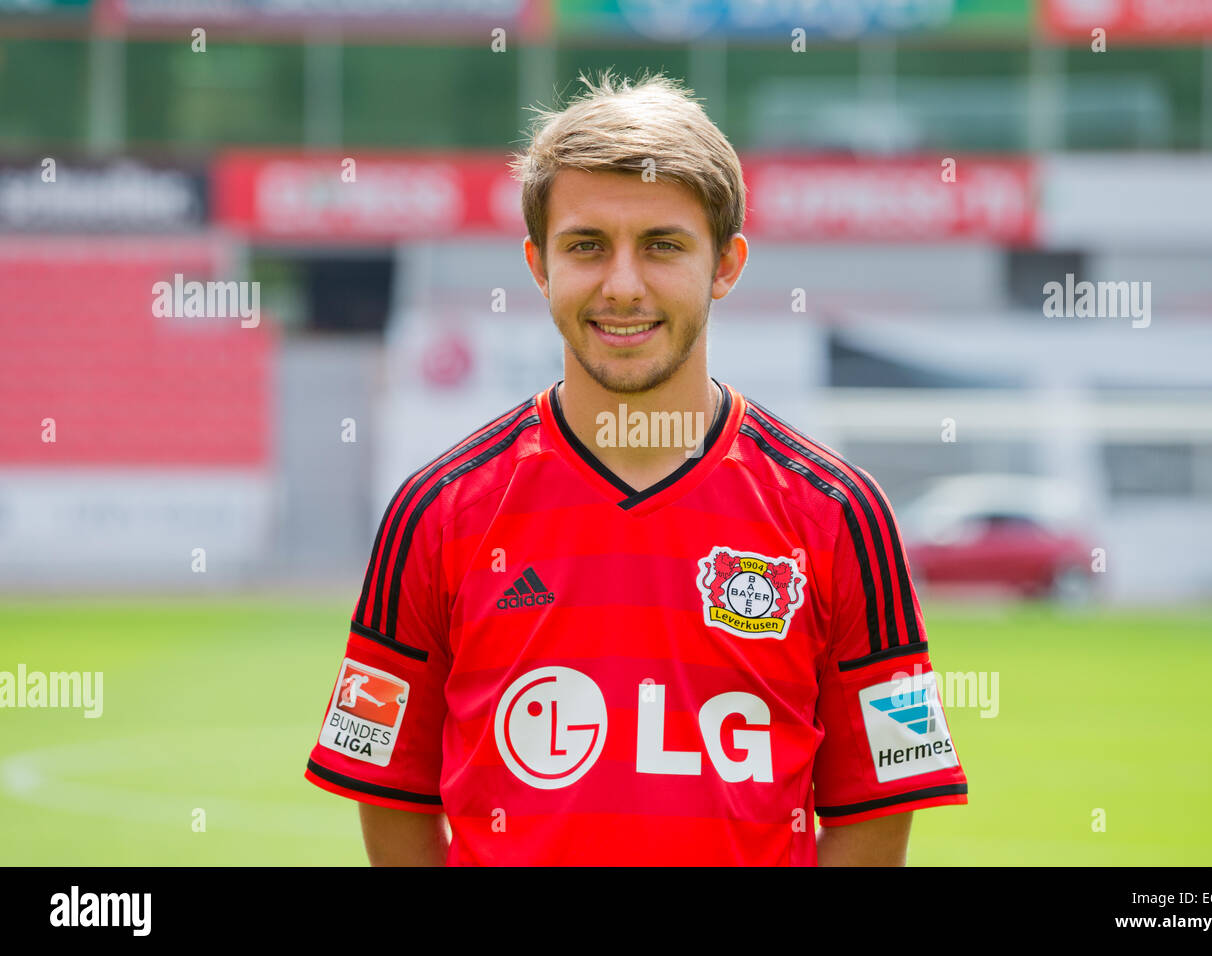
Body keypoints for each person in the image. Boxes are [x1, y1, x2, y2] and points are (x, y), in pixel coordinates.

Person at [304, 69, 967, 866]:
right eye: (587, 246)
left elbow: (879, 805)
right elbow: (391, 793)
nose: (623, 286)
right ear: (539, 264)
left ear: (726, 265)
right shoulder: (437, 511)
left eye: (662, 246)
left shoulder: (840, 514)